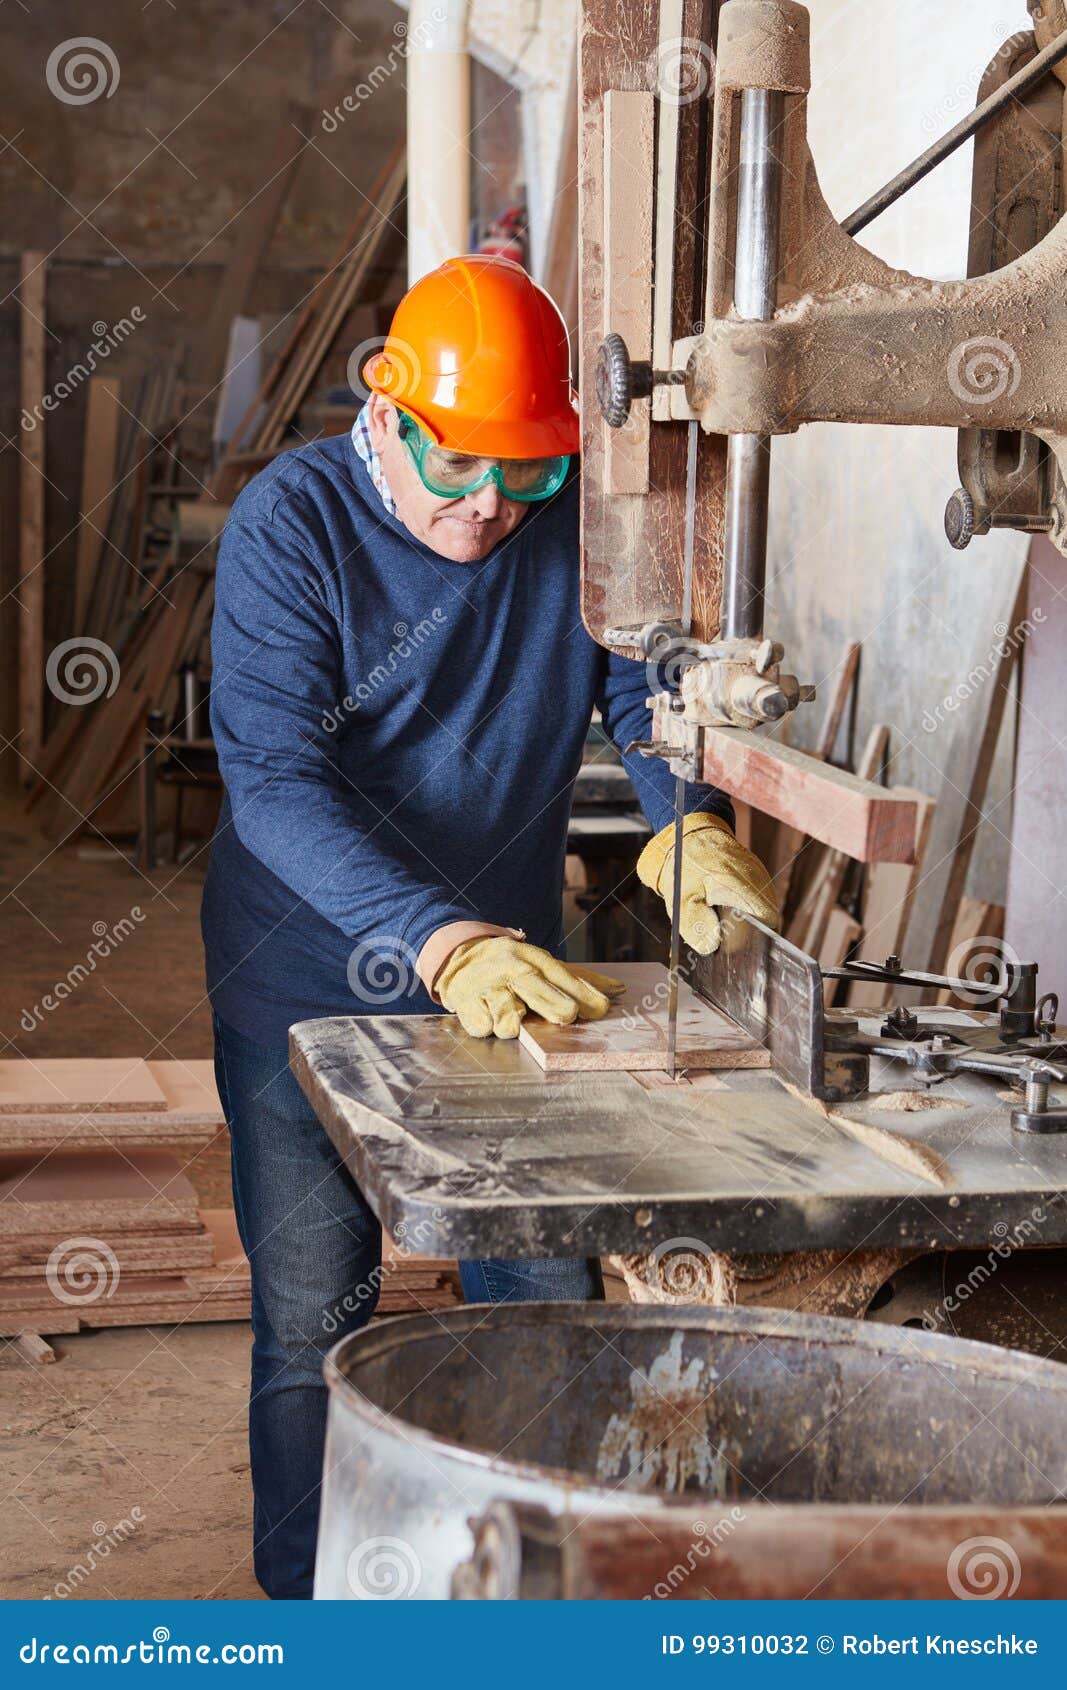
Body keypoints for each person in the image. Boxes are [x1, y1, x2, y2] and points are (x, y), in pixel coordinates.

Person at [202, 253, 776, 1597]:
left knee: (544, 1303)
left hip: (510, 990)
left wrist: (678, 811)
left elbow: (641, 685)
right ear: (387, 416)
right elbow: (277, 782)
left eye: (526, 473)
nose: (487, 509)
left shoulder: (560, 524)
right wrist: (436, 938)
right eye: (460, 468)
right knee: (312, 1325)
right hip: (302, 987)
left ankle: (537, 1595)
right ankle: (309, 1603)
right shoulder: (292, 527)